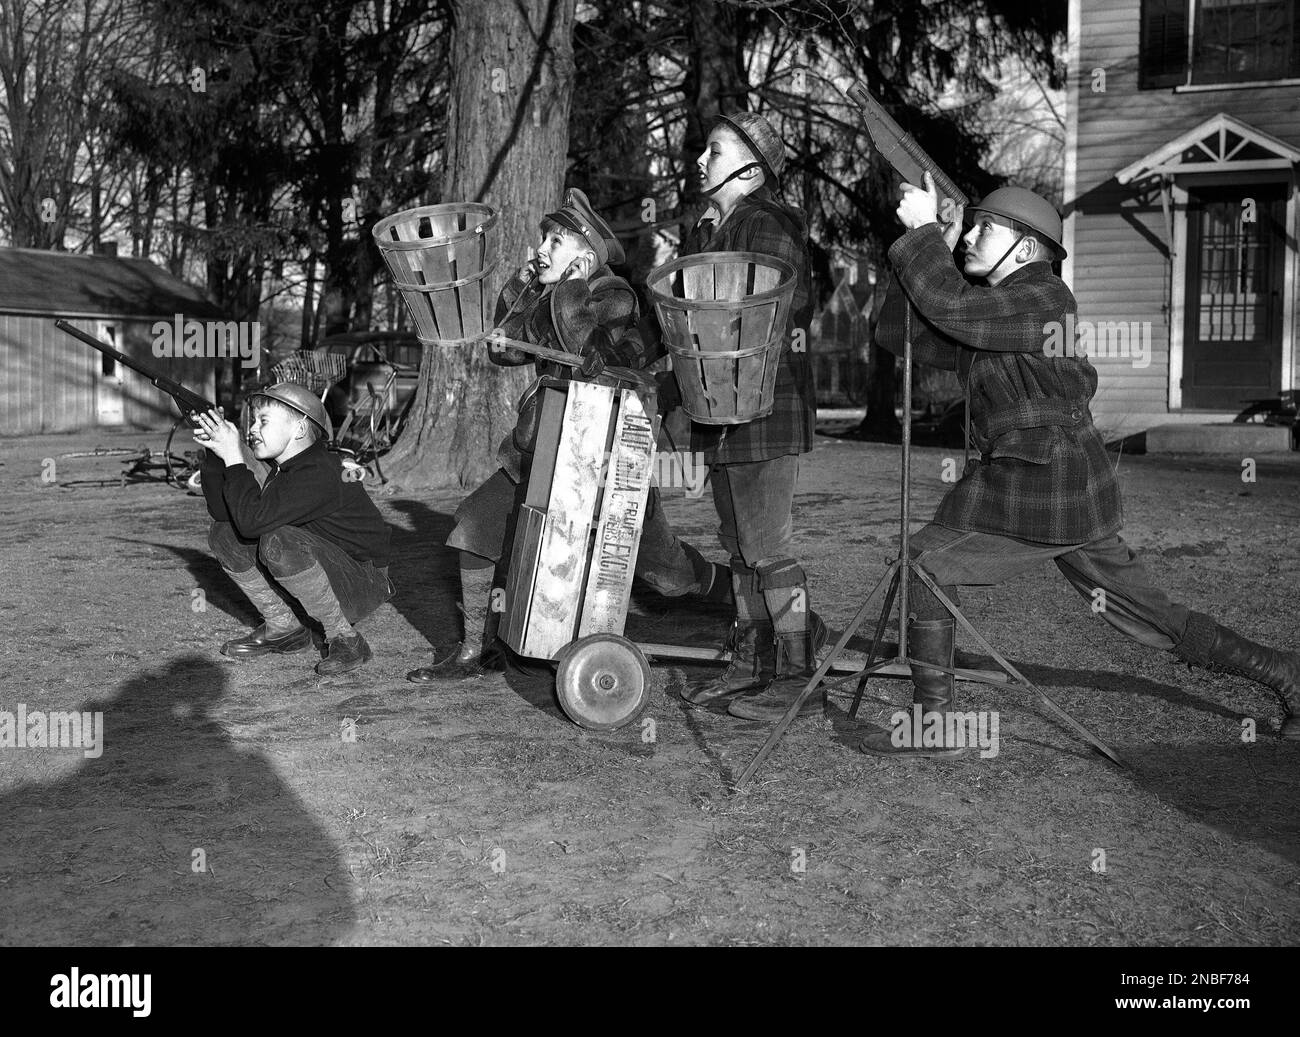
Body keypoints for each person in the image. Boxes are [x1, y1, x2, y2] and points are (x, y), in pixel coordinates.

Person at [859, 176, 1299, 757]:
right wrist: (916, 249)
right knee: (1151, 617)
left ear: (1026, 249)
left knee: (924, 565)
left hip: (1043, 485)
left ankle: (934, 725)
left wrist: (922, 238)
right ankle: (1287, 673)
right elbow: (900, 334)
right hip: (1055, 489)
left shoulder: (1042, 297)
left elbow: (952, 308)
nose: (970, 235)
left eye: (986, 227)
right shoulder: (994, 312)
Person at [406, 188, 727, 683]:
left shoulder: (613, 294)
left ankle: (745, 604)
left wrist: (568, 289)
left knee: (665, 575)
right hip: (538, 453)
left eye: (555, 241)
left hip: (601, 462)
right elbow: (503, 351)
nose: (542, 248)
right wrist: (522, 285)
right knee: (475, 528)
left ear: (584, 254)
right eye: (544, 238)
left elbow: (586, 346)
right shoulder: (545, 291)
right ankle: (480, 647)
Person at [661, 111, 822, 721]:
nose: (701, 159)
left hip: (762, 405)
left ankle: (798, 676)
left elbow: (779, 303)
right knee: (737, 543)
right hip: (719, 406)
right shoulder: (716, 229)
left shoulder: (770, 223)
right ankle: (753, 663)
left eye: (716, 149)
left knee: (768, 545)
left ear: (753, 167)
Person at [195, 384, 393, 676]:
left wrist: (235, 458)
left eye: (263, 421)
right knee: (224, 534)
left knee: (278, 540)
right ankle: (284, 628)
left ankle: (345, 639)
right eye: (252, 421)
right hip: (327, 567)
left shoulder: (319, 471)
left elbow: (253, 523)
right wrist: (216, 454)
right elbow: (225, 514)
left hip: (365, 581)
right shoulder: (285, 469)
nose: (252, 429)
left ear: (300, 429)